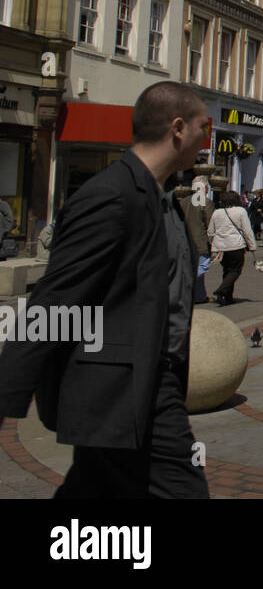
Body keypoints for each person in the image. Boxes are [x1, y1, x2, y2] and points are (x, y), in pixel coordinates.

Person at [0, 81, 211, 497]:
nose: (208, 138)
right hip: (118, 388)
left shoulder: (160, 196)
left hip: (147, 382)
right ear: (178, 128)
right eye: (204, 126)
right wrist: (7, 392)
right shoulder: (112, 195)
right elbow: (56, 300)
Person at [207, 190, 258, 307]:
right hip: (236, 245)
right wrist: (252, 246)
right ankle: (221, 290)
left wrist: (212, 243)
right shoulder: (241, 211)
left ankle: (228, 297)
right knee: (235, 270)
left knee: (227, 270)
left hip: (221, 247)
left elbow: (210, 231)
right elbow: (247, 230)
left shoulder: (217, 212)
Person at [179, 176, 215, 304]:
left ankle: (200, 296)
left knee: (192, 269)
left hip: (185, 241)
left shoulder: (183, 201)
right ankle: (191, 294)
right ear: (205, 188)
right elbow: (211, 223)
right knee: (200, 269)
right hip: (200, 242)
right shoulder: (206, 202)